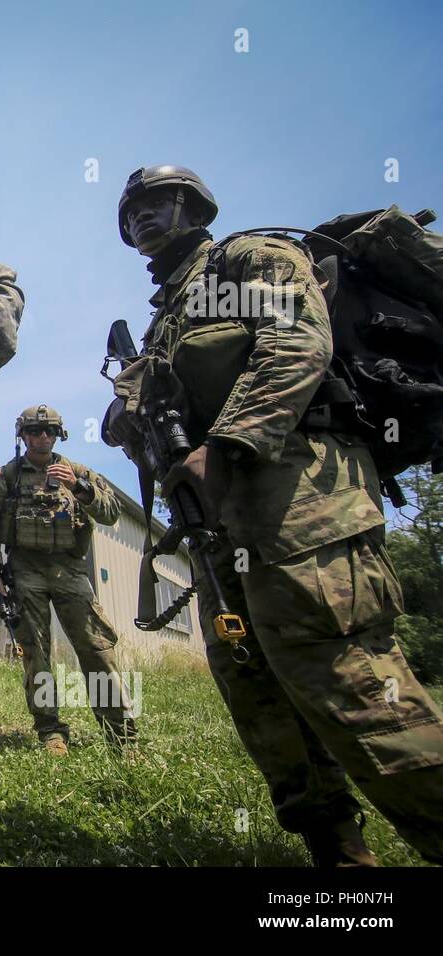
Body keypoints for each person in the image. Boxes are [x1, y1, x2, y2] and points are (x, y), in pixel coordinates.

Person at [117, 164, 443, 865]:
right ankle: (340, 857)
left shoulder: (250, 255)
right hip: (217, 517)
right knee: (255, 686)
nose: (145, 215)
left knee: (348, 677)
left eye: (160, 201)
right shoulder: (161, 319)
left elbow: (297, 339)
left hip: (299, 489)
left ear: (195, 205)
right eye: (133, 210)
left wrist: (229, 444)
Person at [0, 405, 137, 756]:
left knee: (97, 649)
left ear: (58, 435)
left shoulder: (77, 472)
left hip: (70, 571)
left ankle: (122, 736)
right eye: (34, 431)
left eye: (49, 431)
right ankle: (50, 732)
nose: (42, 437)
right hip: (24, 571)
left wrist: (78, 487)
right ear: (23, 436)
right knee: (36, 653)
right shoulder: (7, 476)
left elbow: (111, 513)